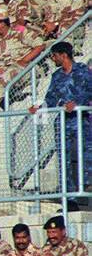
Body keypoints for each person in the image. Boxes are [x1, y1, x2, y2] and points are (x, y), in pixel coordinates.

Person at [40, 41, 92, 194]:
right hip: (64, 122)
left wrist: (77, 103)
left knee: (87, 151)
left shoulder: (82, 70)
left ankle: (88, 183)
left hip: (82, 119)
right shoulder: (57, 76)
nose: (53, 59)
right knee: (64, 156)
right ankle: (68, 194)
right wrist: (39, 107)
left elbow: (90, 90)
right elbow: (50, 98)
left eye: (55, 56)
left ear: (64, 55)